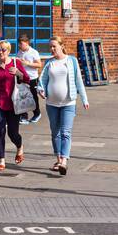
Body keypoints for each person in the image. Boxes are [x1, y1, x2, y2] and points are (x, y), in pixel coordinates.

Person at [40, 36, 89, 175]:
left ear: (61, 46)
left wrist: (84, 99)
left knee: (65, 132)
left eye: (54, 46)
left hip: (69, 102)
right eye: (50, 47)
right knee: (55, 132)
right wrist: (41, 90)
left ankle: (64, 161)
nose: (52, 49)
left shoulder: (71, 61)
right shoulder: (49, 63)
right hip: (51, 103)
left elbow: (79, 81)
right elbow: (42, 81)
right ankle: (59, 159)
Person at [0, 40, 31, 171]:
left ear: (9, 51)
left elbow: (27, 79)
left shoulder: (16, 63)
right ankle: (1, 160)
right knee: (0, 130)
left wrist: (19, 73)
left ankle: (19, 146)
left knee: (12, 133)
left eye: (3, 50)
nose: (0, 53)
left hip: (13, 103)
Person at [15, 33, 43, 124]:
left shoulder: (34, 52)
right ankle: (24, 116)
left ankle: (37, 114)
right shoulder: (19, 52)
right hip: (22, 77)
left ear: (27, 43)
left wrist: (27, 63)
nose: (19, 45)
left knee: (33, 97)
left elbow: (39, 64)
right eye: (19, 44)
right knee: (22, 97)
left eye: (21, 44)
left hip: (32, 78)